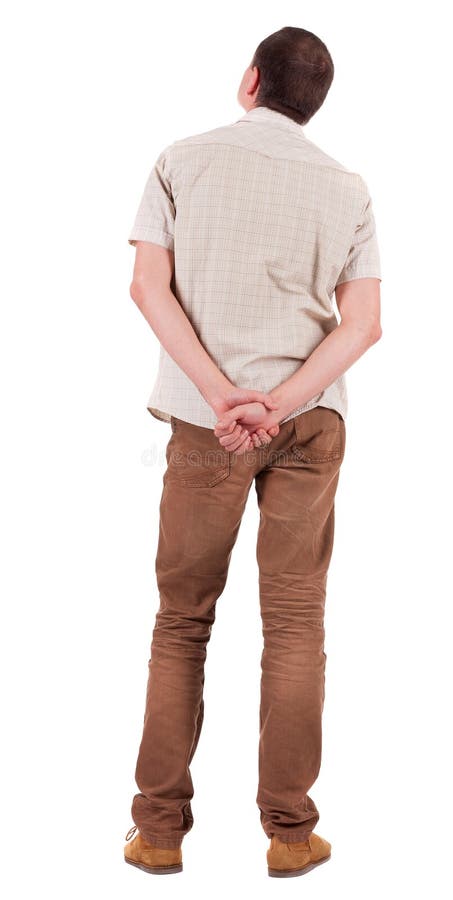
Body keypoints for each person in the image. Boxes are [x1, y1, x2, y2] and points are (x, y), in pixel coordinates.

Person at [123, 25, 382, 878]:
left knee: (181, 623)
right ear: (311, 101)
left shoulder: (181, 160)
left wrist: (223, 395)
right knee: (297, 626)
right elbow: (365, 326)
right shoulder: (346, 187)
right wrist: (277, 400)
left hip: (208, 425)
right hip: (308, 425)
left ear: (251, 81)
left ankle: (159, 834)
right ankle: (290, 831)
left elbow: (146, 287)